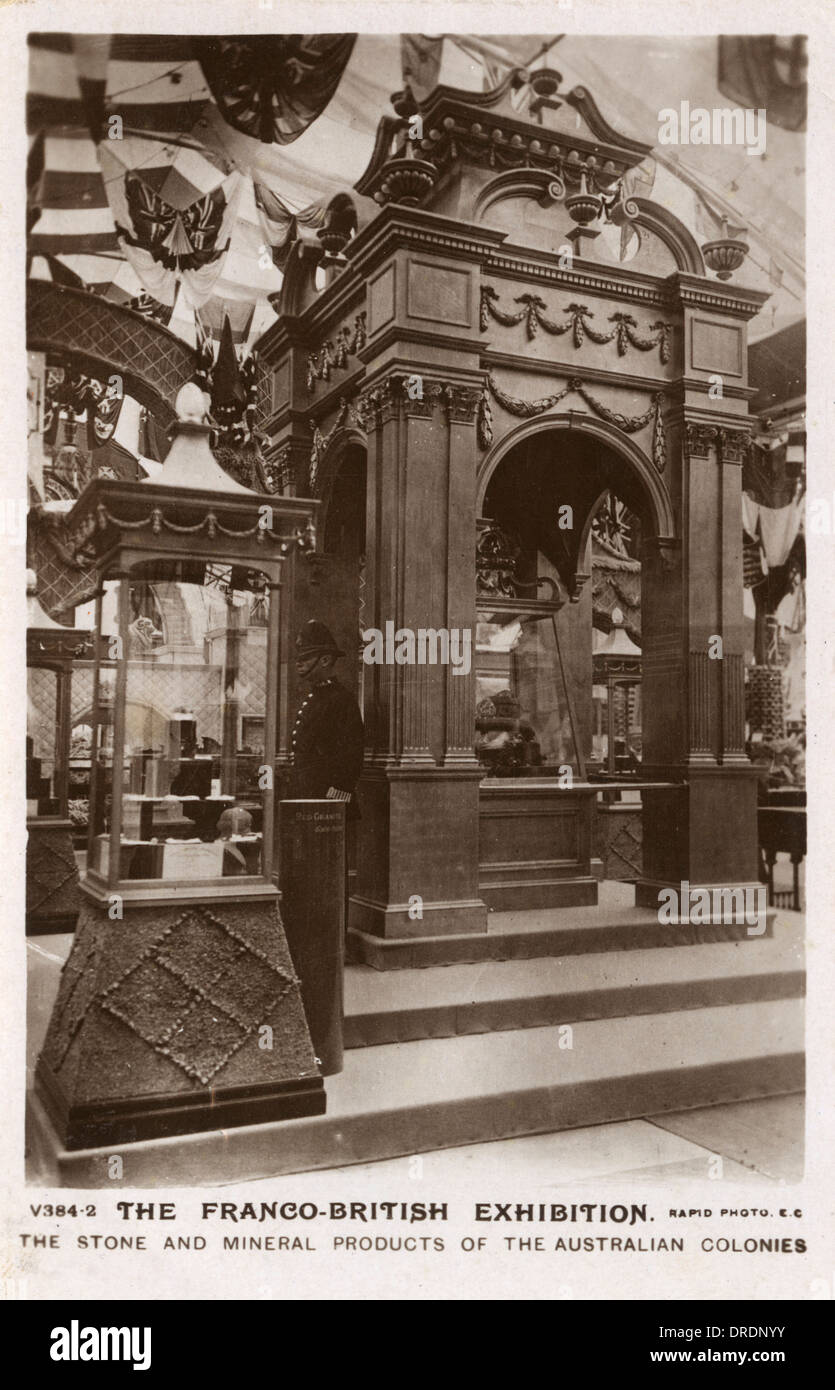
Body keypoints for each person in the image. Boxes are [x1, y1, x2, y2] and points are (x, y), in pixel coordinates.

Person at [290, 621, 364, 932]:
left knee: (329, 873)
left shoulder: (341, 699)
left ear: (325, 660)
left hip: (327, 804)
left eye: (306, 657)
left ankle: (332, 940)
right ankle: (314, 935)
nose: (299, 663)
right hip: (309, 800)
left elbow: (351, 757)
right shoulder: (316, 698)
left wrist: (335, 804)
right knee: (311, 872)